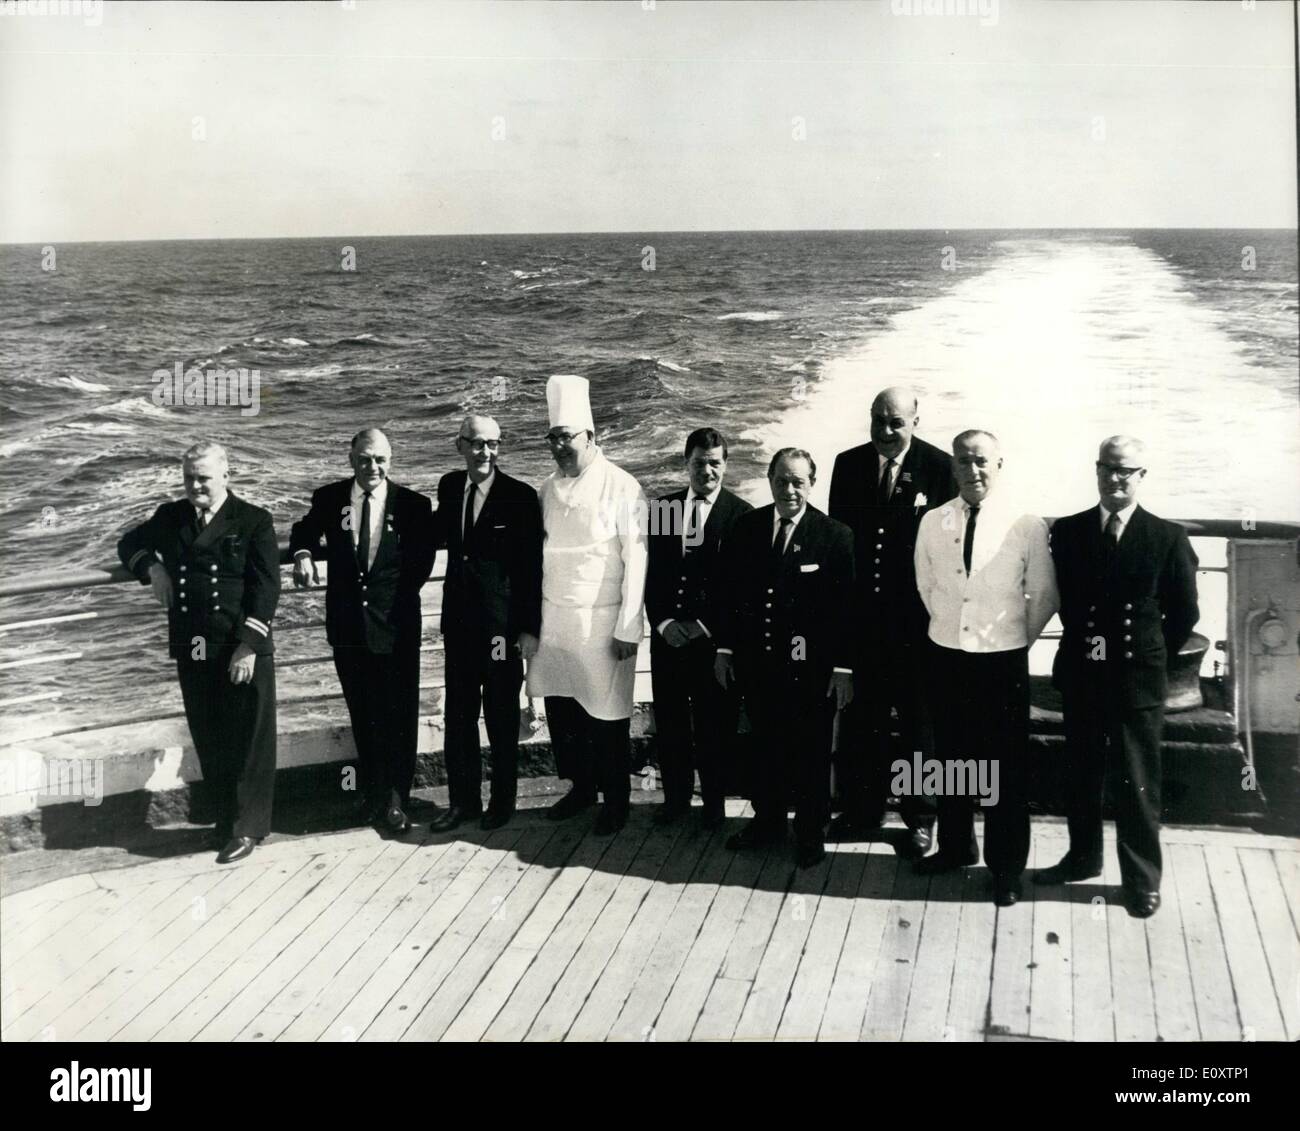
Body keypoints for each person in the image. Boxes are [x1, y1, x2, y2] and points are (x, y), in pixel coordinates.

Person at [1036, 436, 1199, 919]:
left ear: (1142, 476)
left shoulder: (1166, 537)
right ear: (1096, 470)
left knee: (1137, 782)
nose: (1115, 478)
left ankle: (1142, 880)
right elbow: (1060, 597)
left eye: (1126, 471)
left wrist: (1149, 658)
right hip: (1084, 672)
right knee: (1080, 775)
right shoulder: (1068, 532)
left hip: (1137, 680)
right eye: (1108, 468)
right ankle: (1083, 857)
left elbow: (1184, 614)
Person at [913, 430, 1058, 906]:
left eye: (981, 461)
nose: (972, 471)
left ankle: (1006, 869)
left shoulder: (1026, 524)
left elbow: (1044, 595)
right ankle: (956, 846)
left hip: (1002, 662)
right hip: (946, 655)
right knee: (953, 758)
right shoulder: (935, 520)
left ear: (999, 464)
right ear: (952, 467)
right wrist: (953, 631)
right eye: (963, 461)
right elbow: (926, 584)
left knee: (1004, 769)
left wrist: (1012, 641)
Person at [117, 441, 279, 864]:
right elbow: (128, 543)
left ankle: (249, 828)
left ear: (226, 475)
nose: (195, 486)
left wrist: (248, 645)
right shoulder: (171, 518)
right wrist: (151, 569)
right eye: (189, 478)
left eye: (203, 478)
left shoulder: (253, 521)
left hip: (238, 646)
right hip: (194, 647)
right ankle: (226, 822)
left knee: (248, 742)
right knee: (211, 738)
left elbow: (266, 589)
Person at [827, 386, 957, 857]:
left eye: (895, 422)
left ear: (915, 421)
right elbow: (841, 549)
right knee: (865, 721)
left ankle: (922, 817)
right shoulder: (848, 465)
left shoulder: (941, 469)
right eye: (877, 420)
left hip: (919, 629)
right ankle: (863, 811)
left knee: (922, 727)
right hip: (865, 626)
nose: (885, 431)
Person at [714, 448, 855, 869]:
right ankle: (768, 821)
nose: (789, 490)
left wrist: (843, 669)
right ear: (769, 480)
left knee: (810, 753)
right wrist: (724, 650)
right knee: (763, 747)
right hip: (760, 667)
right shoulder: (748, 527)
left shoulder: (835, 536)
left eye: (798, 482)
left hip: (811, 673)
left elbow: (847, 609)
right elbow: (731, 596)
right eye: (782, 481)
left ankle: (810, 832)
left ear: (812, 484)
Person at [289, 428, 436, 834]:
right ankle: (371, 795)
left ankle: (395, 800)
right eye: (366, 458)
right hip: (348, 628)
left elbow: (419, 565)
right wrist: (302, 554)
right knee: (364, 714)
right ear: (351, 458)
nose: (373, 467)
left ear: (391, 461)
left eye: (381, 460)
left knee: (398, 714)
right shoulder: (331, 498)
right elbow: (304, 530)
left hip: (396, 626)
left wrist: (389, 602)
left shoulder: (413, 505)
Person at [525, 375, 649, 835]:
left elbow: (637, 558)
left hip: (603, 627)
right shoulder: (544, 491)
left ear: (591, 437)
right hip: (555, 622)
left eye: (567, 438)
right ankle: (580, 789)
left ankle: (616, 800)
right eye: (552, 438)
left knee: (608, 717)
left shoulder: (623, 486)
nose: (559, 447)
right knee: (563, 711)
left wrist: (629, 627)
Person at [429, 415, 543, 832]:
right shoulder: (448, 487)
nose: (485, 452)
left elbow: (532, 569)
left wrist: (530, 629)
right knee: (459, 718)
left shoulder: (520, 497)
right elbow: (434, 534)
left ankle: (503, 802)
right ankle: (463, 803)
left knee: (500, 718)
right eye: (477, 444)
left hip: (502, 631)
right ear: (459, 445)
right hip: (459, 627)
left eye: (493, 444)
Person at [645, 427, 753, 828]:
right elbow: (650, 576)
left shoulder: (741, 516)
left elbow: (741, 589)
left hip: (713, 644)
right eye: (699, 462)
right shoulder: (662, 509)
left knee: (714, 727)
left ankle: (713, 805)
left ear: (725, 465)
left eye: (715, 463)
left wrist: (705, 626)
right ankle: (674, 800)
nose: (707, 471)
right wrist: (664, 622)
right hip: (669, 640)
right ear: (684, 463)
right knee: (670, 724)